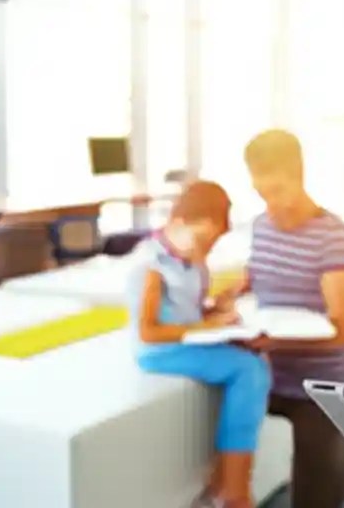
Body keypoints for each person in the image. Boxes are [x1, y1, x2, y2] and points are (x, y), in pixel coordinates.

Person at [228, 128, 344, 508]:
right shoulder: (261, 227)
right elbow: (258, 275)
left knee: (318, 494)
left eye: (279, 191)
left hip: (319, 388)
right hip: (268, 377)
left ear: (300, 175)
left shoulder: (334, 237)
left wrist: (274, 342)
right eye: (262, 193)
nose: (272, 203)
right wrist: (229, 296)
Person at [128, 180, 270, 508]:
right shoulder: (149, 265)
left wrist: (217, 307)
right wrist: (205, 325)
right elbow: (148, 332)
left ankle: (223, 478)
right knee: (249, 371)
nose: (206, 251)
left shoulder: (194, 260)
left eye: (213, 244)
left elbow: (190, 311)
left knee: (254, 355)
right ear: (177, 223)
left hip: (187, 340)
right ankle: (234, 491)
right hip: (159, 352)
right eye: (204, 240)